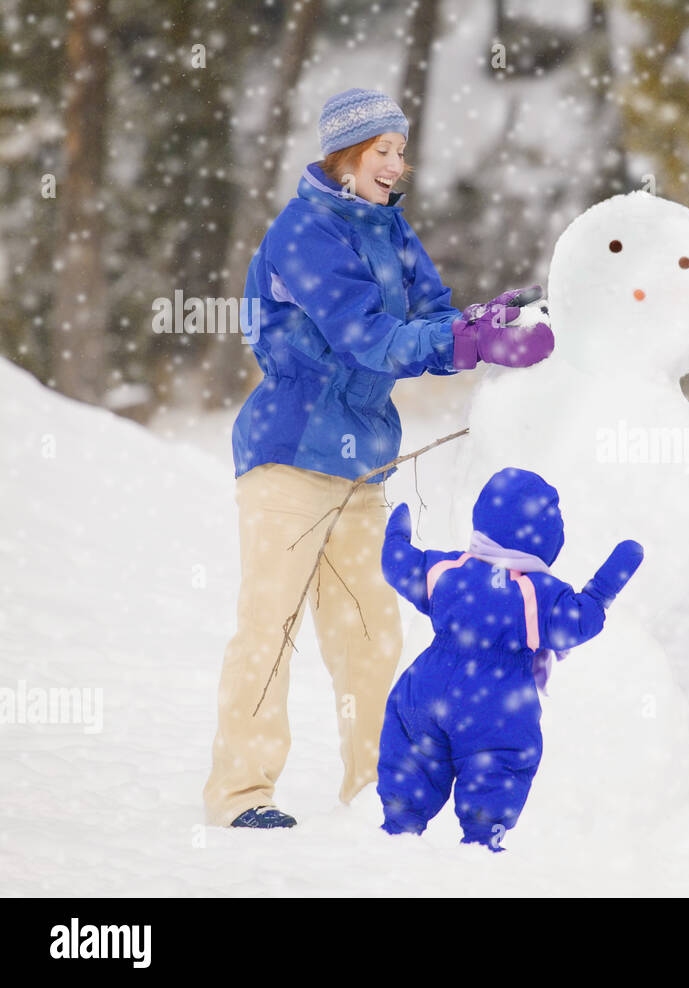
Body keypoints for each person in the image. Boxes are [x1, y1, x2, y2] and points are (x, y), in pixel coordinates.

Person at [203, 88, 555, 829]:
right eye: (382, 152)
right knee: (270, 625)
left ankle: (372, 789)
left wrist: (479, 327)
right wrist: (456, 341)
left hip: (362, 462)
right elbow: (366, 336)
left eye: (400, 151)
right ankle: (241, 795)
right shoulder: (304, 234)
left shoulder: (392, 231)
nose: (397, 165)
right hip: (288, 454)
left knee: (370, 632)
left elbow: (427, 321)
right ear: (344, 158)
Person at [376, 468, 644, 850]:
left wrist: (396, 537)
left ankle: (398, 826)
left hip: (426, 686)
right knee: (497, 763)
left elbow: (398, 564)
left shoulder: (448, 570)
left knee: (413, 752)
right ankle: (484, 843)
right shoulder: (535, 592)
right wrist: (602, 590)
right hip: (496, 701)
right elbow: (579, 621)